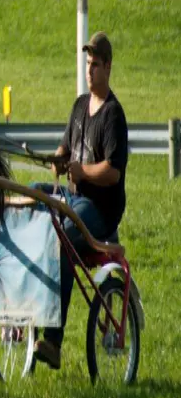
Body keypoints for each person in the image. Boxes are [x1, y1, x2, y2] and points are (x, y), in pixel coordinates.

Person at [32, 31, 129, 370]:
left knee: (63, 241)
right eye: (88, 64)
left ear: (108, 67)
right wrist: (57, 160)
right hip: (73, 196)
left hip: (100, 209)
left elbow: (113, 171)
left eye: (96, 65)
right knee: (32, 193)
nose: (90, 70)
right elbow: (64, 148)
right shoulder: (78, 106)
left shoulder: (114, 115)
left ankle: (53, 342)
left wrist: (82, 172)